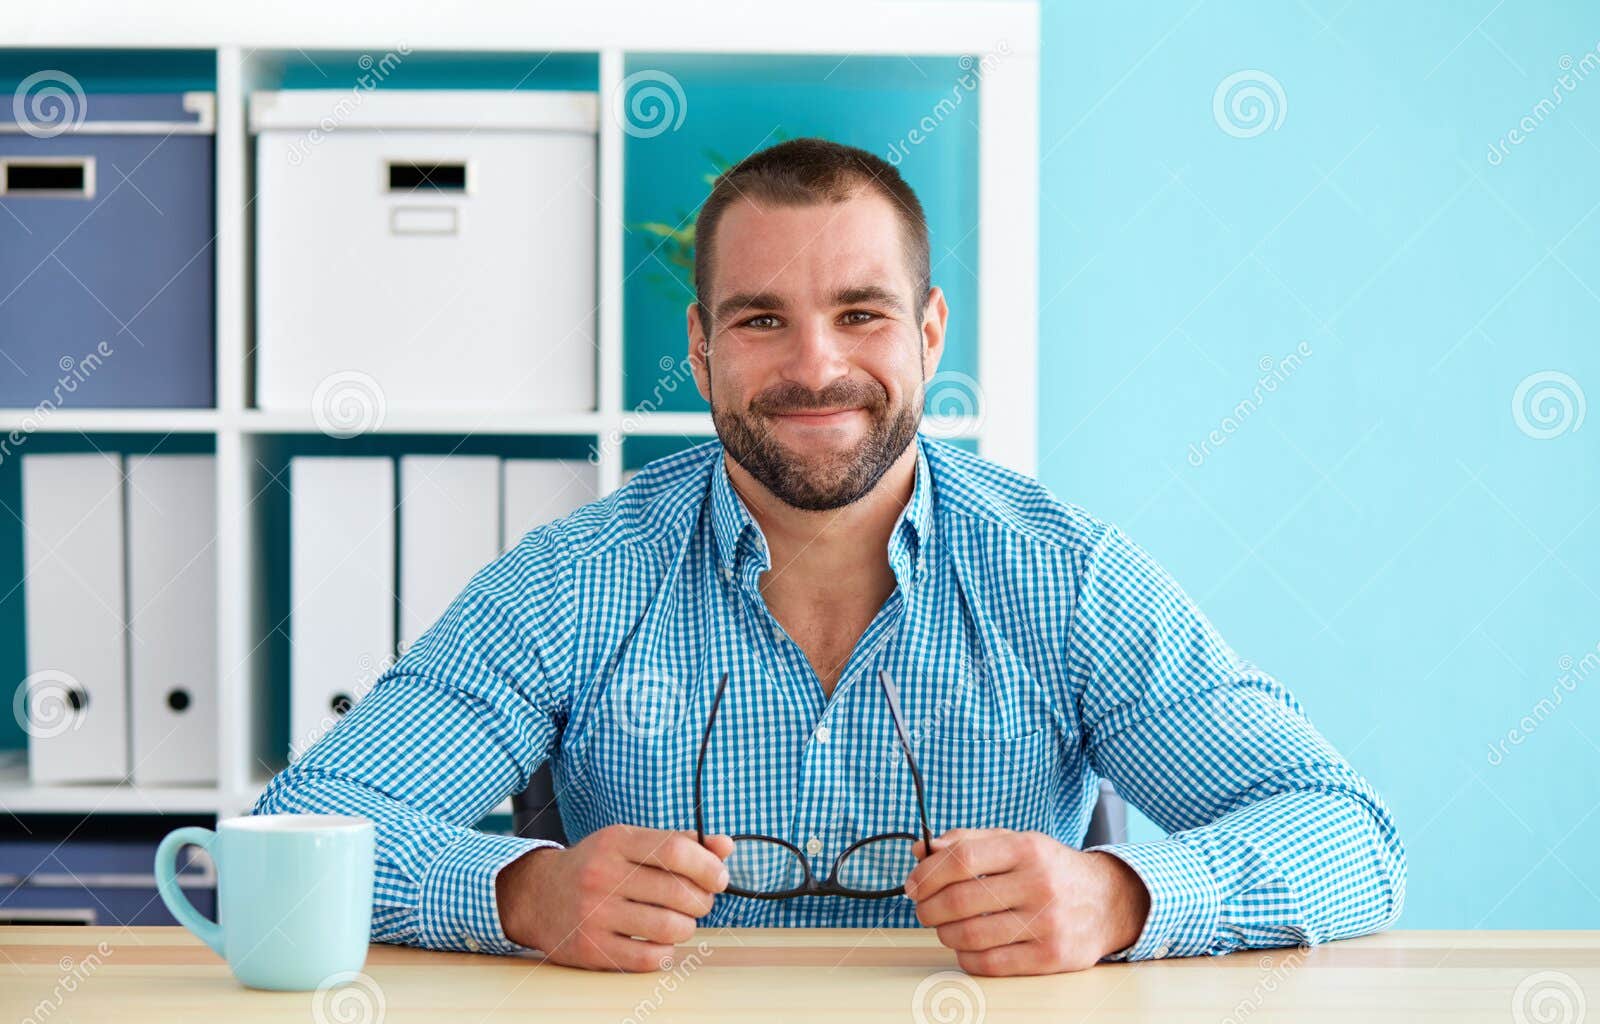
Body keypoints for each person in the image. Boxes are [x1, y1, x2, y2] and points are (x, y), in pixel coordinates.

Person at [253, 137, 1406, 976]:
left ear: (929, 333)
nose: (814, 367)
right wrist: (520, 893)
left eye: (860, 313)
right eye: (761, 319)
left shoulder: (1068, 578)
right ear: (700, 349)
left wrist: (1120, 896)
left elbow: (1346, 832)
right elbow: (305, 821)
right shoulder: (569, 581)